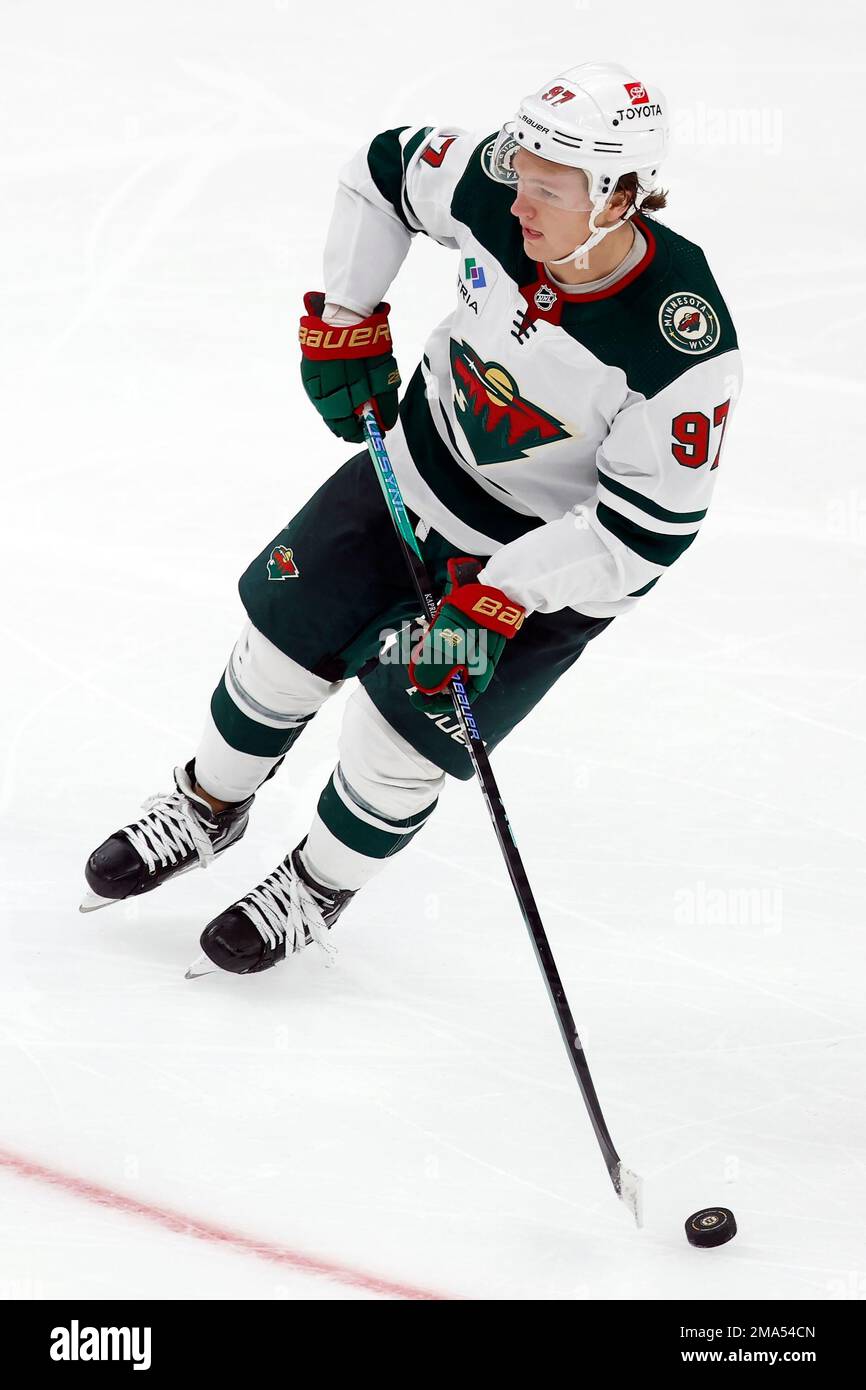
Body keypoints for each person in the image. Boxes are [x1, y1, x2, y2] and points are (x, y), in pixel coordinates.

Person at [81, 61, 742, 976]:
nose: (519, 205)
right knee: (282, 640)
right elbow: (381, 170)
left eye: (550, 190)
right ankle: (206, 807)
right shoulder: (499, 181)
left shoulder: (680, 347)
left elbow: (643, 538)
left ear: (622, 194)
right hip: (414, 470)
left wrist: (504, 594)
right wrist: (347, 316)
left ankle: (315, 885)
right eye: (522, 175)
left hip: (527, 571)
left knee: (396, 736)